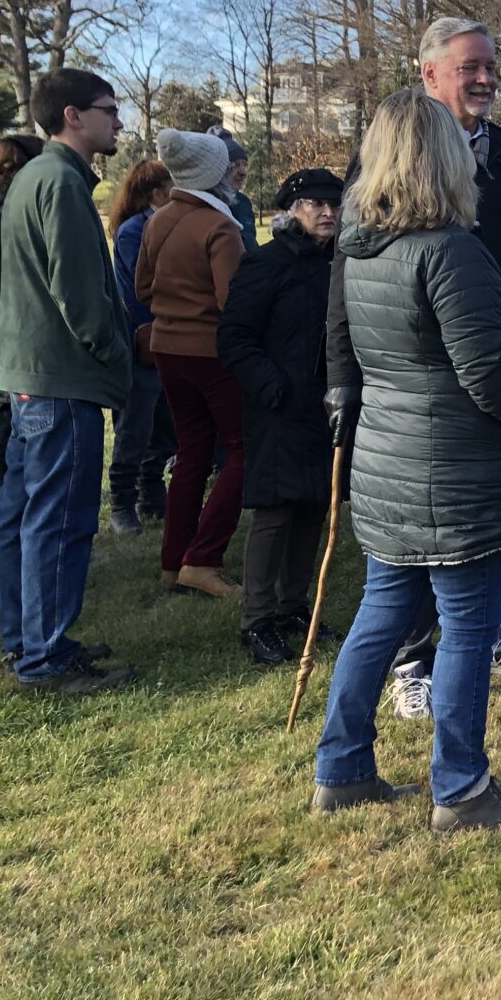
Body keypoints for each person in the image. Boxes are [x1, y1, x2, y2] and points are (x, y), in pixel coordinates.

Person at [310, 90, 501, 832]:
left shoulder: (363, 247)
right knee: (469, 627)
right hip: (456, 474)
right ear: (445, 159)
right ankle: (462, 789)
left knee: (381, 616)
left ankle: (342, 766)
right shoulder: (449, 252)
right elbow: (489, 372)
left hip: (393, 461)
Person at [326, 18, 501, 712]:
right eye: (469, 66)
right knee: (428, 547)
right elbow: (347, 278)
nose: (485, 78)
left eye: (491, 66)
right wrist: (341, 378)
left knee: (476, 537)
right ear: (429, 73)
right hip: (441, 382)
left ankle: (477, 636)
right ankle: (417, 668)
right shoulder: (393, 162)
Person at [0, 69, 134, 693]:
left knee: (21, 515)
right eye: (109, 110)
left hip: (30, 377)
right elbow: (80, 296)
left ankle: (29, 642)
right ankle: (44, 659)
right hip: (61, 378)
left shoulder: (32, 177)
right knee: (59, 519)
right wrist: (114, 355)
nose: (119, 122)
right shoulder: (62, 183)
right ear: (73, 116)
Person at [217, 167, 344, 666]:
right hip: (279, 407)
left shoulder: (340, 263)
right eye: (316, 204)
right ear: (293, 209)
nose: (328, 212)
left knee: (315, 504)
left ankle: (293, 607)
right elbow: (234, 337)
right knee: (275, 512)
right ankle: (256, 619)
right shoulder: (266, 264)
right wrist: (274, 388)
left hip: (325, 404)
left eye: (334, 203)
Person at [137, 128, 249, 601]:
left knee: (191, 452)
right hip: (211, 352)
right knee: (246, 449)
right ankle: (202, 559)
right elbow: (235, 303)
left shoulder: (157, 220)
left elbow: (143, 289)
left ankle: (173, 561)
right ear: (213, 172)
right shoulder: (219, 227)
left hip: (166, 348)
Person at [0, 133, 45, 519]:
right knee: (10, 411)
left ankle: (1, 487)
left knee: (9, 410)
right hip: (4, 324)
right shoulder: (3, 207)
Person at [103, 158, 177, 534]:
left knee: (163, 422)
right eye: (170, 187)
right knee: (135, 425)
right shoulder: (135, 230)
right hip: (142, 340)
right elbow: (139, 288)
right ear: (155, 193)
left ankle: (151, 492)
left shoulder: (164, 222)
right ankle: (122, 502)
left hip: (167, 335)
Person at [207, 126, 257, 250]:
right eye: (235, 165)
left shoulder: (244, 203)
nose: (243, 172)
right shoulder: (206, 203)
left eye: (245, 164)